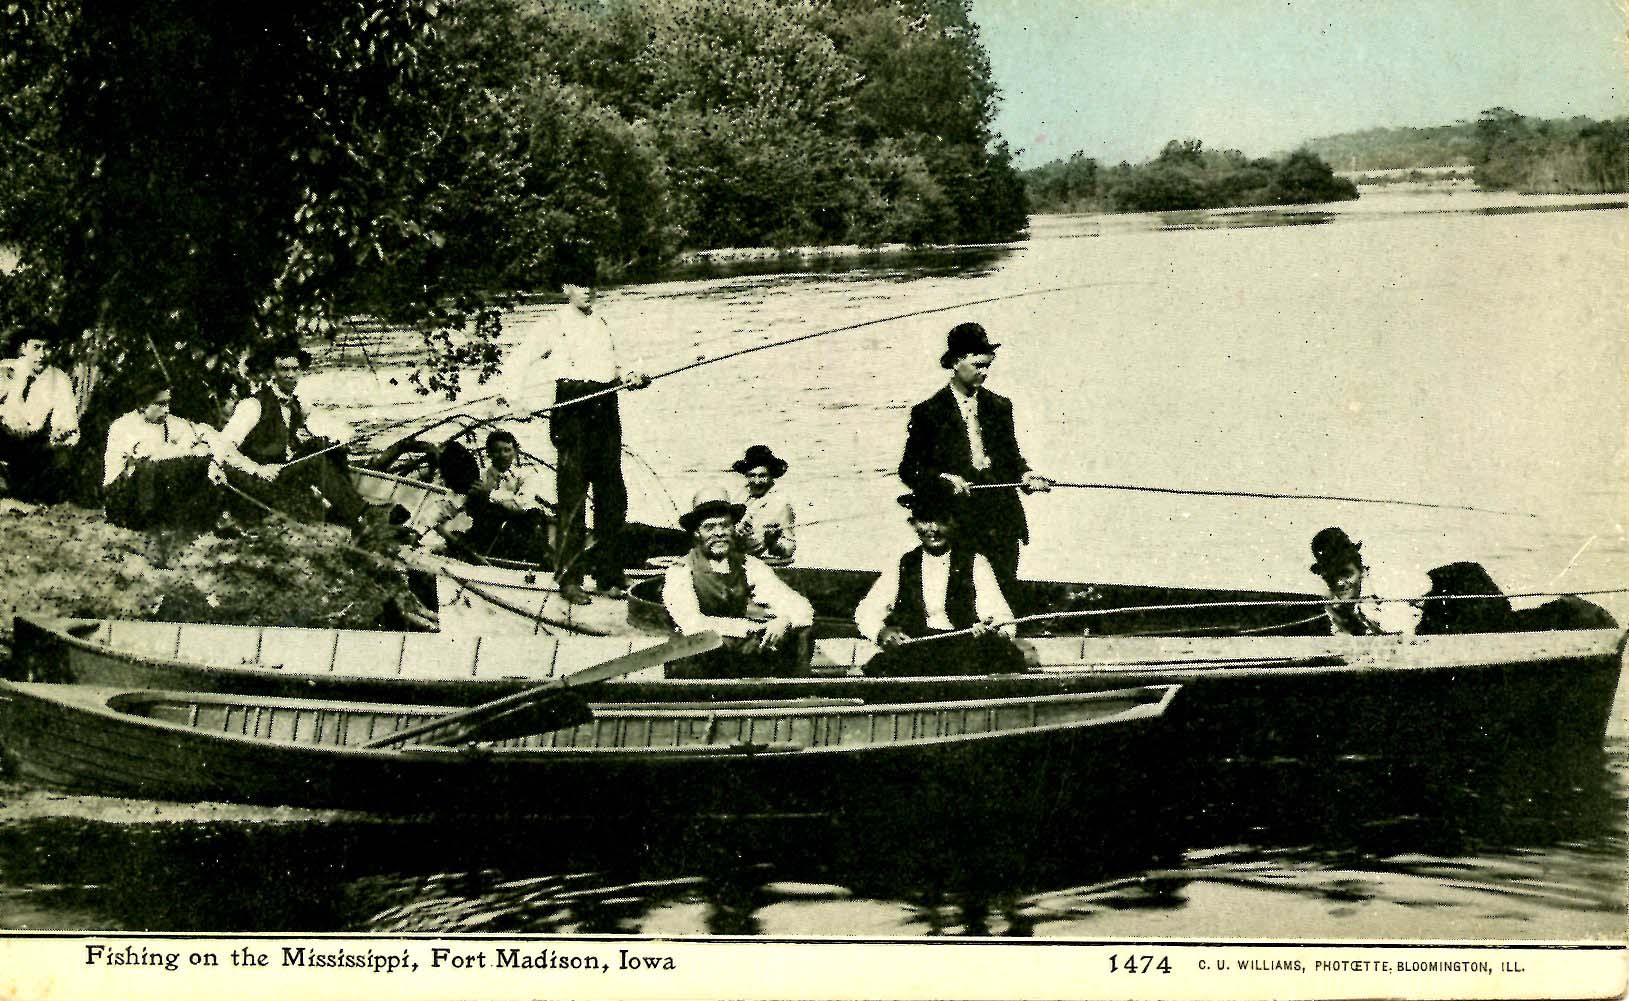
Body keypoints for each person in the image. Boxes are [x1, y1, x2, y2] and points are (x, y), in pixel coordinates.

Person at [497, 269, 649, 604]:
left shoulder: (603, 323)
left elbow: (620, 368)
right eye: (580, 285)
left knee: (612, 497)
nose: (588, 291)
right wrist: (515, 400)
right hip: (573, 412)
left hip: (606, 408)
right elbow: (516, 364)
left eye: (592, 284)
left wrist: (634, 376)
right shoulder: (553, 325)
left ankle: (608, 575)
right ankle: (569, 580)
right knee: (573, 500)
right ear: (565, 287)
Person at [898, 322, 1050, 589]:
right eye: (978, 365)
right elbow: (909, 470)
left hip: (1002, 519)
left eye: (987, 366)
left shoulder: (1000, 406)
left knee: (1004, 587)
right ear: (956, 362)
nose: (984, 372)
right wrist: (943, 478)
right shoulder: (928, 412)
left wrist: (1028, 475)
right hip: (958, 522)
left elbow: (1011, 457)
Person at [855, 480, 1037, 676]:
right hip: (916, 651)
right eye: (925, 520)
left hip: (963, 651)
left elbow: (1002, 618)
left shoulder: (975, 562)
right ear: (913, 524)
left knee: (998, 661)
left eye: (941, 520)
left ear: (954, 521)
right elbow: (866, 612)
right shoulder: (905, 564)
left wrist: (991, 629)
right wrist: (883, 633)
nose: (933, 529)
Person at [661, 486, 815, 678]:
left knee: (800, 630)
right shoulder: (681, 570)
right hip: (700, 658)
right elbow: (693, 624)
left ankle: (796, 693)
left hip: (736, 649)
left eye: (725, 525)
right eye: (709, 527)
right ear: (697, 534)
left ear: (733, 528)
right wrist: (752, 628)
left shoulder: (747, 564)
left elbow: (801, 607)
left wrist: (784, 619)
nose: (719, 533)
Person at [220, 346, 368, 528]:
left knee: (325, 445)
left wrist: (345, 437)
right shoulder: (252, 405)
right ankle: (361, 514)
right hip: (258, 481)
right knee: (315, 459)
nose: (291, 375)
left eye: (295, 369)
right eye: (284, 369)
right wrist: (257, 469)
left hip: (283, 473)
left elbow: (323, 423)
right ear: (272, 372)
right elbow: (223, 447)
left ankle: (352, 507)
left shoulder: (296, 404)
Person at [102, 379, 241, 531]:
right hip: (121, 494)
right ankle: (150, 518)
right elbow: (151, 456)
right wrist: (191, 450)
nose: (166, 410)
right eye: (161, 404)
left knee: (201, 455)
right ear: (143, 405)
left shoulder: (167, 421)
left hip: (146, 485)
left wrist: (214, 461)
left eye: (168, 403)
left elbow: (203, 432)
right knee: (161, 463)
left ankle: (213, 515)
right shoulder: (124, 426)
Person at [0, 335, 80, 503]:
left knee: (58, 459)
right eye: (36, 347)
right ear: (23, 348)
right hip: (6, 436)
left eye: (47, 348)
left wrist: (60, 430)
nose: (42, 355)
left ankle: (24, 487)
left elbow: (66, 417)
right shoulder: (8, 370)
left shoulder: (59, 380)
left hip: (35, 442)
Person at [1308, 527, 1426, 636]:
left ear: (1361, 570)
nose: (1339, 583)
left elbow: (1402, 637)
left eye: (1346, 574)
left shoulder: (1385, 587)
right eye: (1330, 577)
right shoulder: (1334, 606)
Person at [463, 430, 551, 562]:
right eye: (497, 451)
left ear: (515, 452)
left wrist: (489, 493)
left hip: (517, 538)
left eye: (507, 450)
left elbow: (520, 504)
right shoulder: (480, 477)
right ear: (489, 453)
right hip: (485, 538)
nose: (502, 455)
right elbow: (459, 502)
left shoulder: (527, 475)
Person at [731, 444, 796, 565]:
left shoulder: (781, 504)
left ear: (772, 476)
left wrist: (772, 543)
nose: (757, 481)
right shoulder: (738, 497)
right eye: (752, 475)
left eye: (762, 476)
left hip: (762, 565)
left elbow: (789, 548)